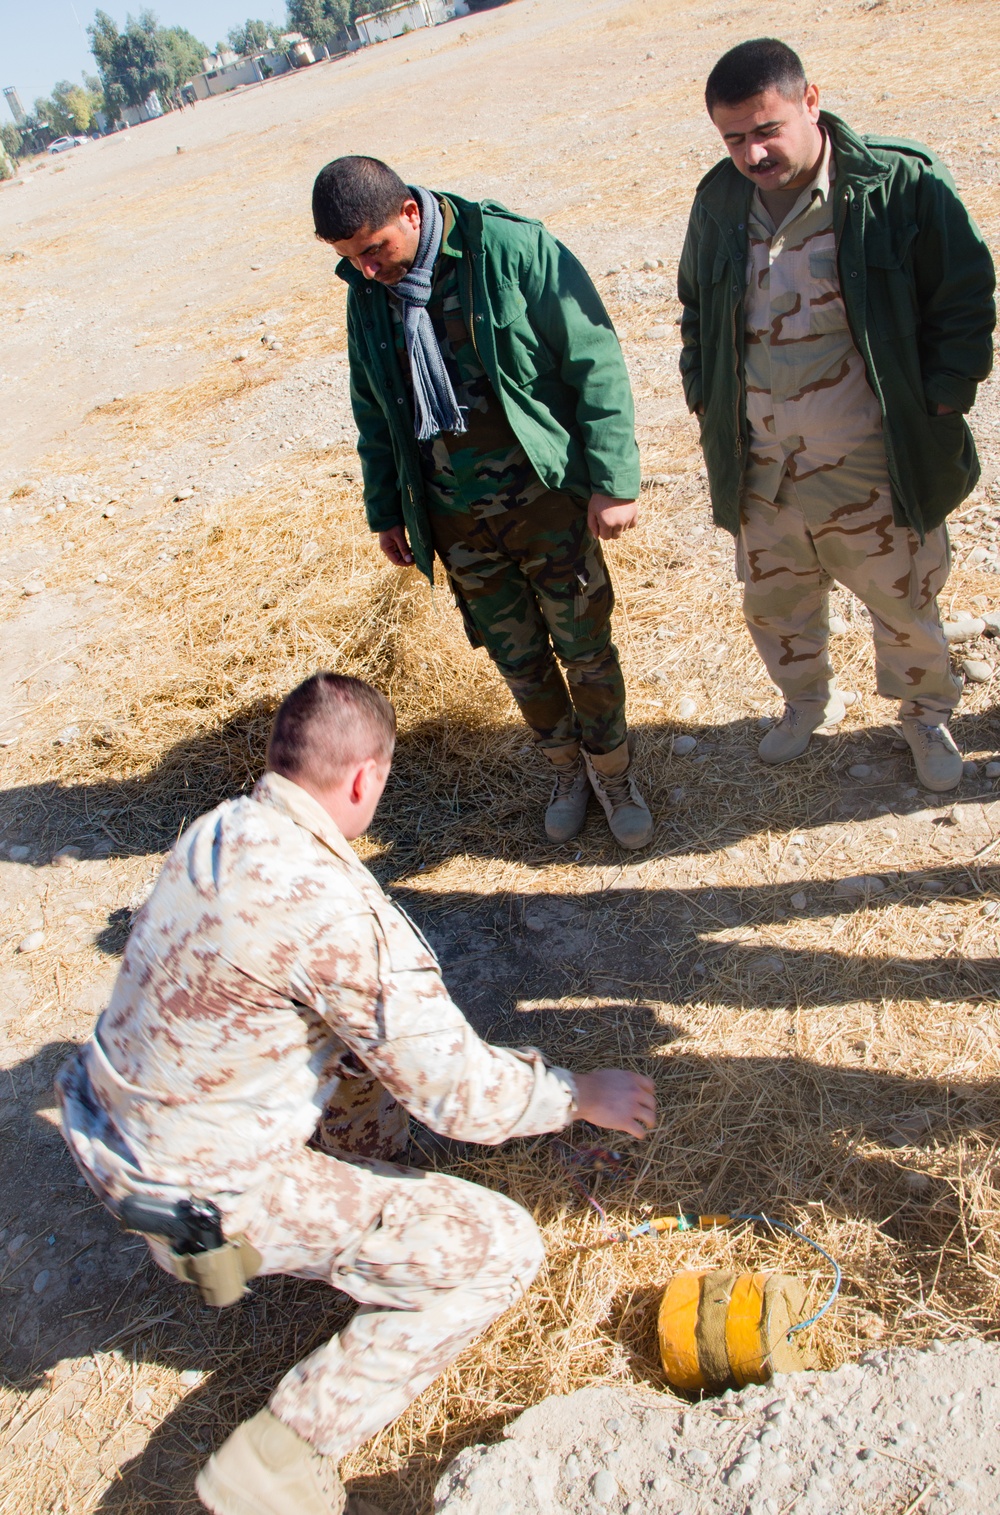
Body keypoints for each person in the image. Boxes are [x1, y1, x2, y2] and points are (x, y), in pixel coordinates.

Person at [55, 672, 657, 1515]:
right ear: (365, 777)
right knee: (501, 1249)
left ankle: (341, 1198)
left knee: (357, 1051)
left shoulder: (220, 829)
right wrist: (576, 1092)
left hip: (111, 1132)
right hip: (203, 1194)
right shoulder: (336, 915)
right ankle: (277, 1456)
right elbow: (460, 1094)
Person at [678, 38, 995, 791]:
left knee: (904, 601)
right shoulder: (719, 201)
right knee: (776, 604)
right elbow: (697, 311)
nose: (752, 154)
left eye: (767, 130)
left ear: (811, 101)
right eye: (733, 139)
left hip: (871, 460)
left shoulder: (895, 185)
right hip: (764, 467)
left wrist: (942, 400)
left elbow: (963, 298)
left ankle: (925, 715)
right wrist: (705, 394)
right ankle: (806, 703)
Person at [313, 155, 653, 848]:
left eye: (375, 249)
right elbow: (374, 409)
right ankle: (566, 770)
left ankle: (613, 773)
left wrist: (614, 479)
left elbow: (593, 358)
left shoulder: (506, 247)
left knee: (585, 647)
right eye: (350, 259)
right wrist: (388, 510)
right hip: (455, 518)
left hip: (545, 502)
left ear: (411, 212)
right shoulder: (368, 290)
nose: (367, 270)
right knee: (517, 658)